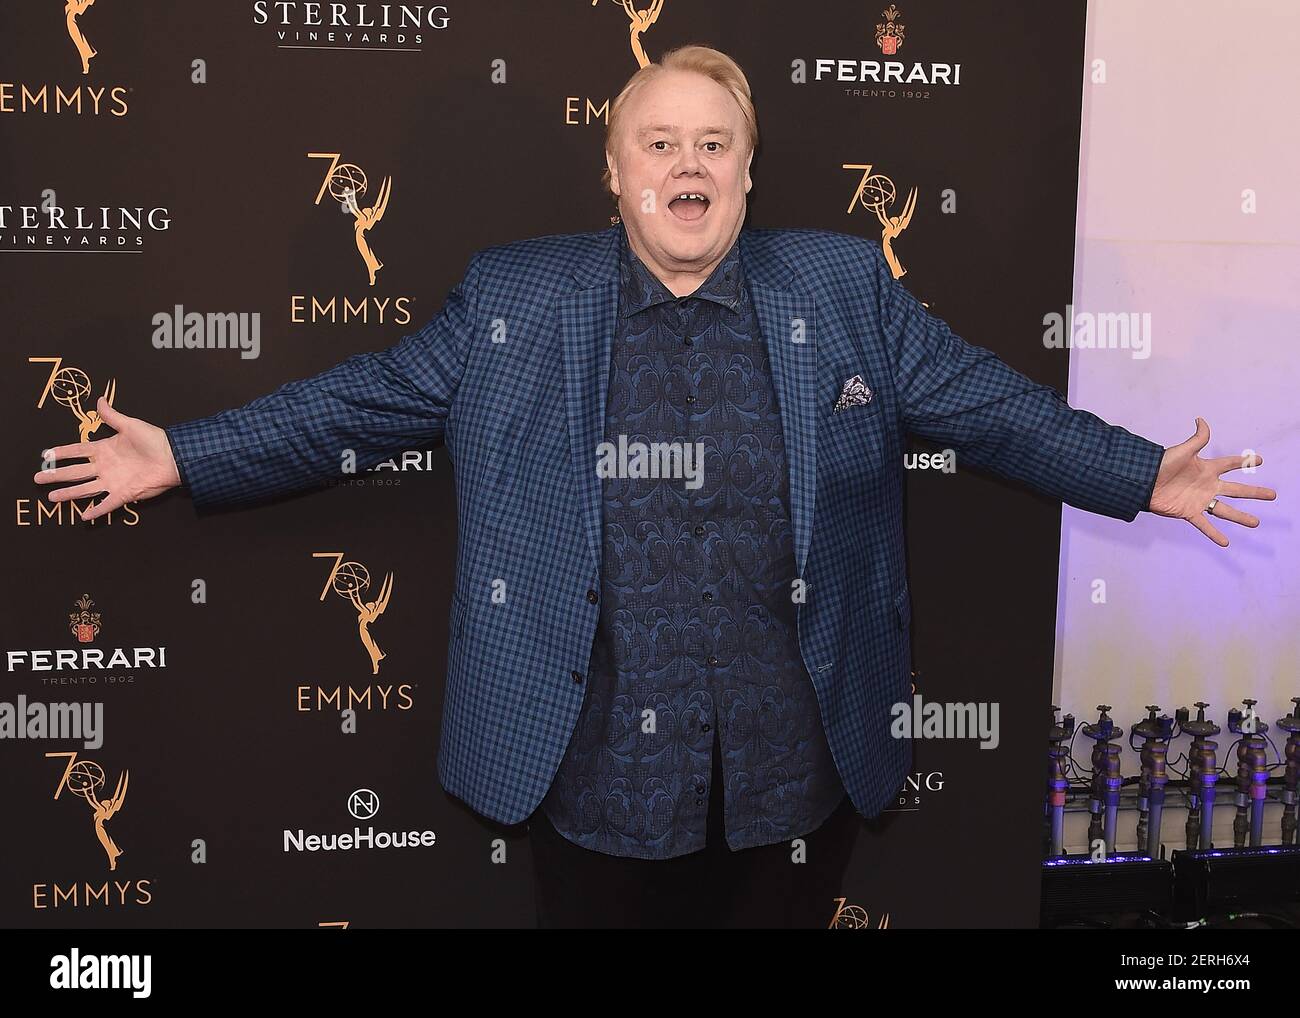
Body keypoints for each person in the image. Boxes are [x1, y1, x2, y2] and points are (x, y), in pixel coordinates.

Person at [33, 46, 1276, 928]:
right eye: (661, 142)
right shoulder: (519, 295)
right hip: (590, 773)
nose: (690, 164)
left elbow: (985, 404)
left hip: (796, 761)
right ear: (616, 172)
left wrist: (1138, 474)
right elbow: (359, 403)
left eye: (713, 143)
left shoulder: (840, 290)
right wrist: (183, 453)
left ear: (745, 171)